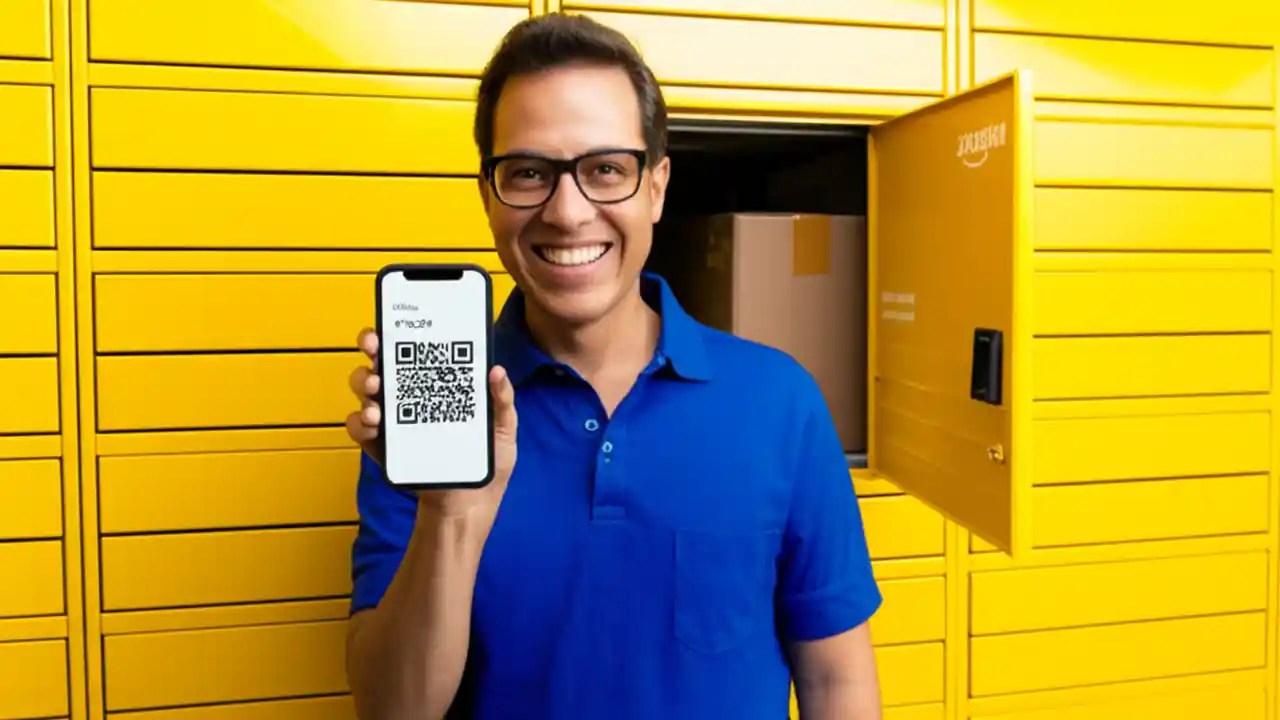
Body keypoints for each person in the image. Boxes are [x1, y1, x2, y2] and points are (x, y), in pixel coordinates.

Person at [342, 12, 883, 720]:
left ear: (656, 186)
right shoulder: (435, 432)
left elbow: (837, 681)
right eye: (530, 172)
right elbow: (394, 711)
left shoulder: (780, 401)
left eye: (605, 169)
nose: (568, 213)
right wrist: (451, 511)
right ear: (487, 194)